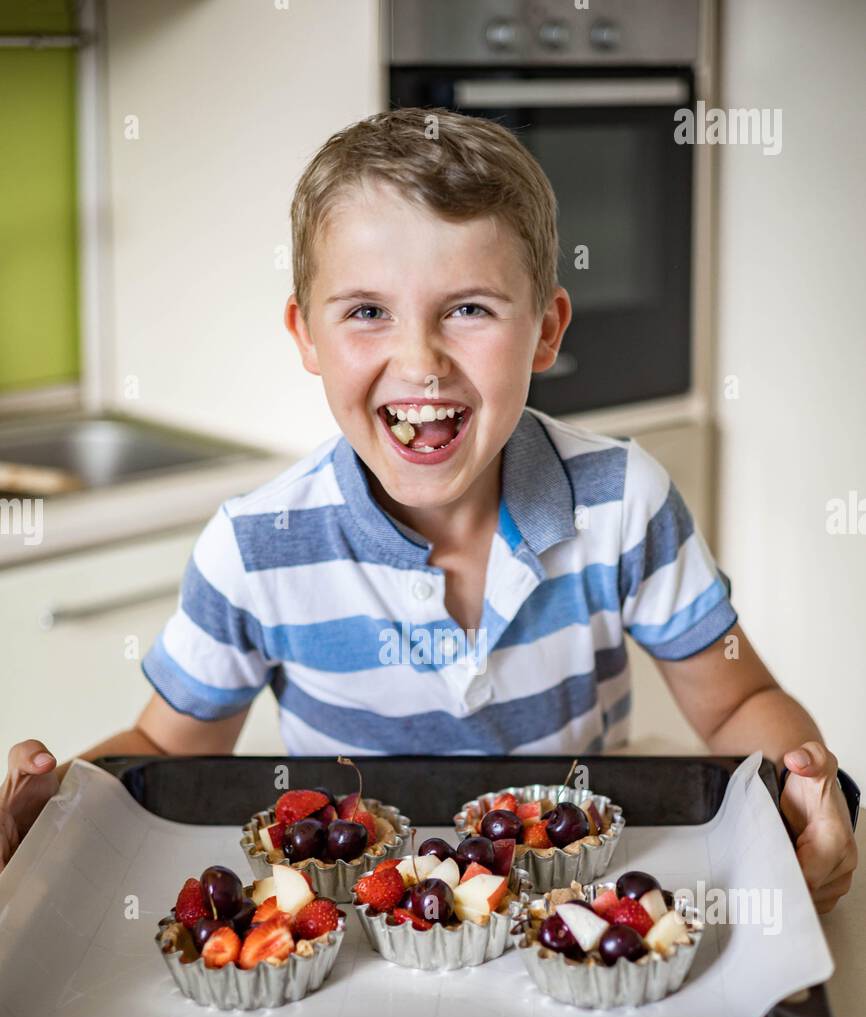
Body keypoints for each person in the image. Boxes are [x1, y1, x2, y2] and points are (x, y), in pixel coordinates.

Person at [0, 109, 857, 912]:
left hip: (568, 913)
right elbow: (165, 754)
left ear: (547, 332)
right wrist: (53, 810)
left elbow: (737, 704)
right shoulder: (256, 547)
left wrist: (809, 792)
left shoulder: (623, 500)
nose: (421, 362)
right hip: (356, 932)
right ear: (305, 333)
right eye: (367, 312)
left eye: (470, 310)